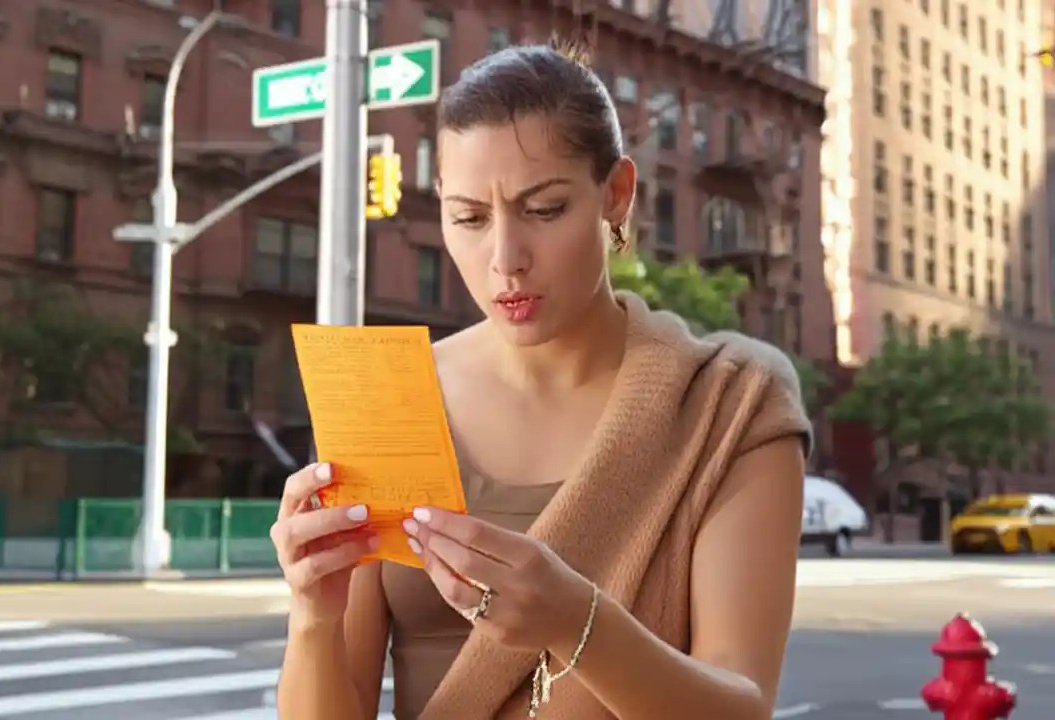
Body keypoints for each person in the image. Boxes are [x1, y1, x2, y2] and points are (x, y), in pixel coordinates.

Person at [273, 38, 812, 720]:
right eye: (469, 217)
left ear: (616, 194)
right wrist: (313, 618)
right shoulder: (389, 398)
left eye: (544, 209)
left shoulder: (730, 404)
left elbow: (742, 707)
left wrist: (576, 624)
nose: (505, 259)